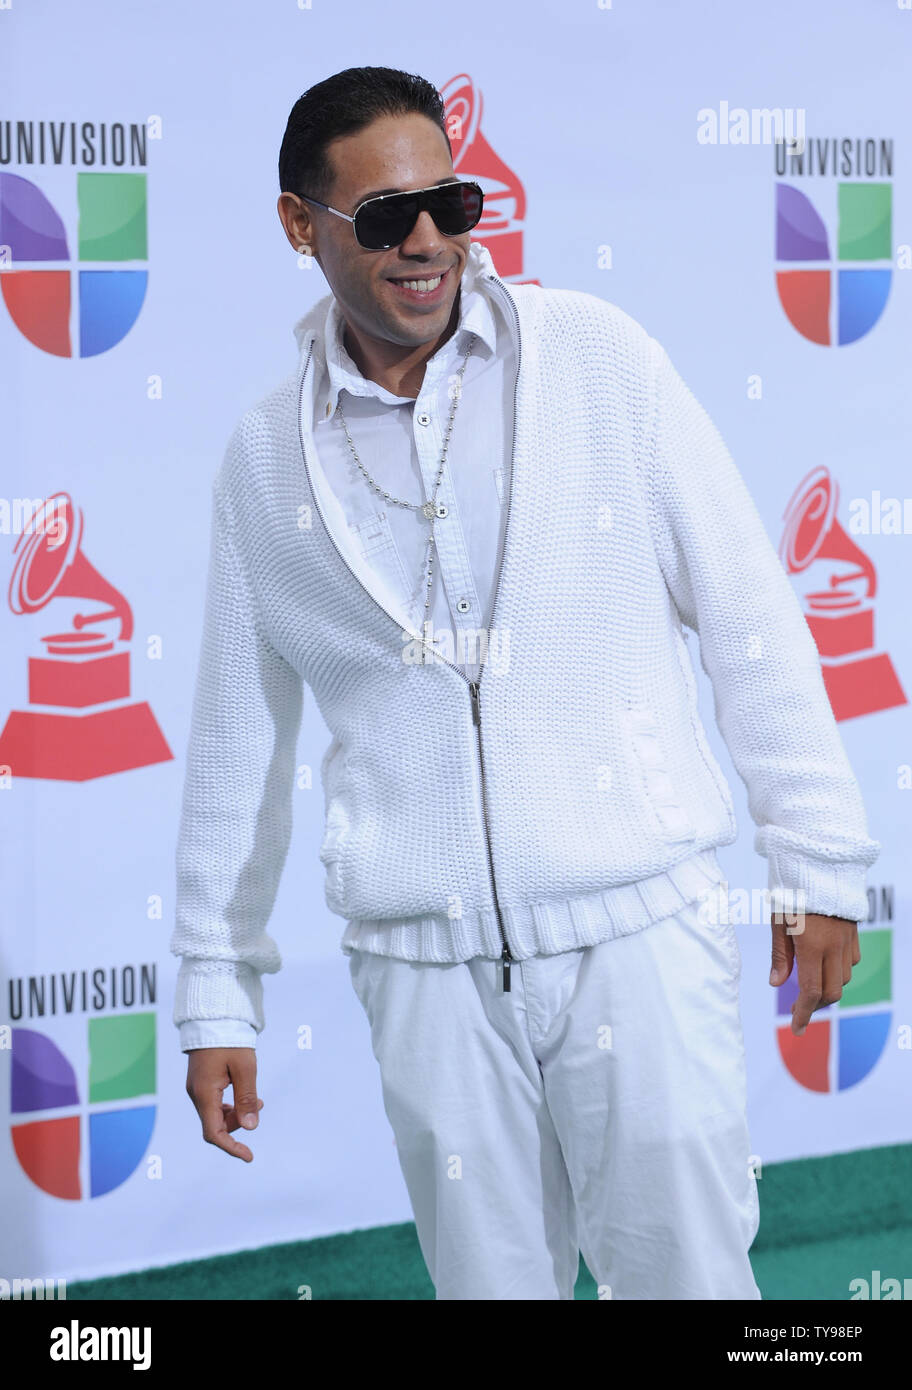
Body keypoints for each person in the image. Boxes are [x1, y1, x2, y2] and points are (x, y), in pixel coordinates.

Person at [171, 65, 880, 1300]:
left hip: (638, 936)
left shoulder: (597, 360)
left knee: (694, 1291)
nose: (430, 240)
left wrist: (817, 857)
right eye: (387, 217)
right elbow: (238, 739)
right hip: (425, 970)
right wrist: (214, 989)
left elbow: (750, 614)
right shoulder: (261, 457)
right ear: (302, 227)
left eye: (452, 201)